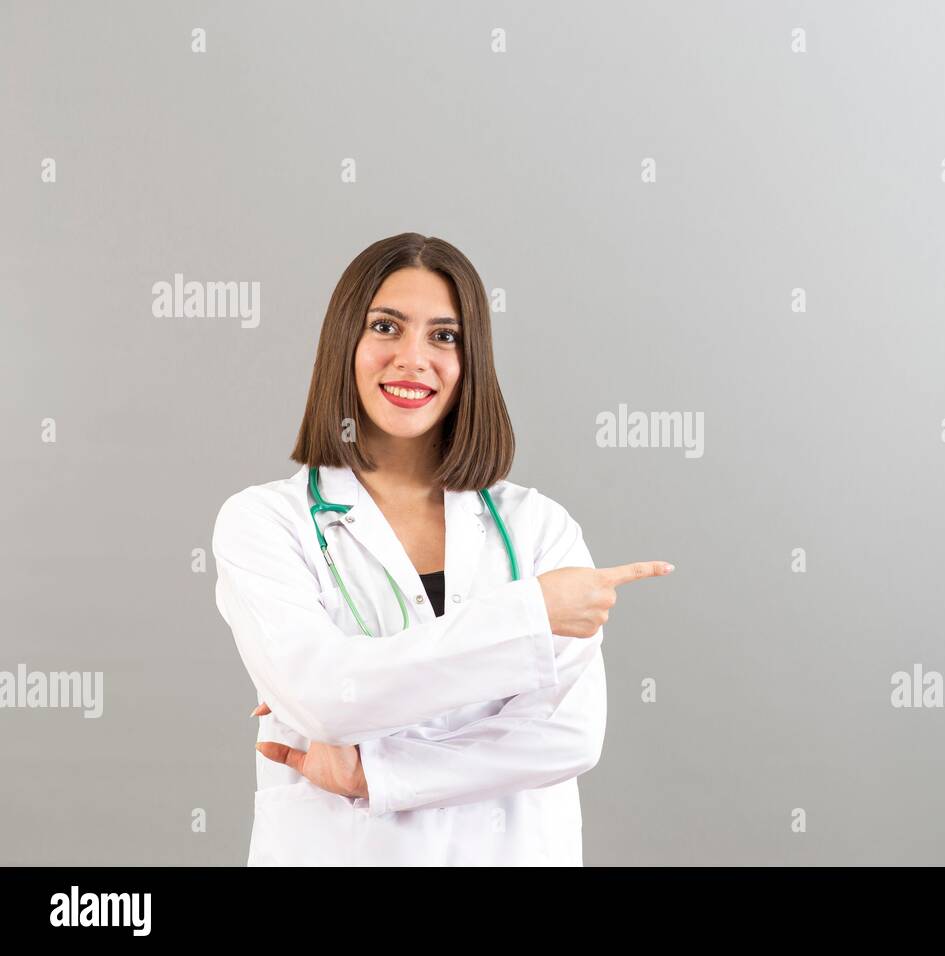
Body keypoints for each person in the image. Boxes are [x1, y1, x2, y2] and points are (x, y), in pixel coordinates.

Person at [211, 232, 673, 865]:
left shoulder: (538, 527)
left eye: (444, 336)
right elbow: (323, 696)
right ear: (345, 341)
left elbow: (569, 735)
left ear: (471, 358)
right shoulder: (265, 522)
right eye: (385, 327)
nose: (412, 358)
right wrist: (530, 619)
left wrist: (375, 769)